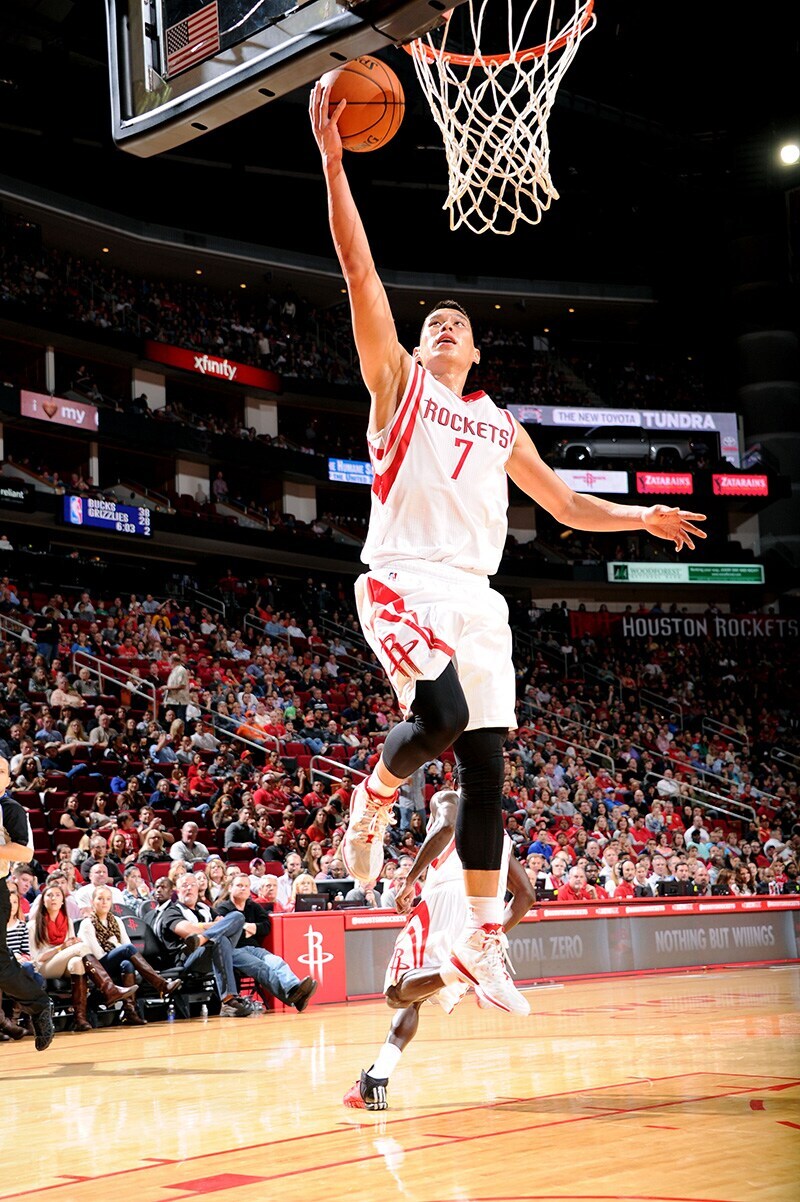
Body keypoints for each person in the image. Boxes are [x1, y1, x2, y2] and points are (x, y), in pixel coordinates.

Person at [309, 83, 707, 1015]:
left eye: (458, 325)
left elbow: (565, 504)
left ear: (476, 351)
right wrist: (333, 163)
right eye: (432, 322)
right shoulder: (397, 386)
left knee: (487, 770)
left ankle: (487, 945)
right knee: (439, 722)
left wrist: (637, 521)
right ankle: (369, 802)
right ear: (416, 344)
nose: (442, 327)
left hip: (480, 599)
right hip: (402, 581)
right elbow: (360, 273)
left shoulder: (503, 425)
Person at [343, 789, 535, 1110]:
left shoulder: (452, 796)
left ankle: (463, 965)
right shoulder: (499, 832)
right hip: (479, 914)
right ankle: (376, 1080)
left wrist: (410, 879)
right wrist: (486, 941)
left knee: (396, 992)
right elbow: (526, 896)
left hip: (444, 898)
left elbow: (446, 826)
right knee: (415, 999)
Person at [0, 756, 55, 1049]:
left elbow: (24, 854)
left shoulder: (10, 809)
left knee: (0, 965)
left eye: (1, 771)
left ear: (8, 780)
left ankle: (39, 1004)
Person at [76, 885, 181, 1024]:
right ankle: (161, 984)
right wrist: (118, 949)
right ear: (92, 902)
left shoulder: (117, 921)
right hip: (97, 967)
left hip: (114, 961)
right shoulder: (87, 924)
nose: (104, 902)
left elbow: (126, 944)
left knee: (128, 964)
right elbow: (97, 954)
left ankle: (130, 1011)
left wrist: (117, 949)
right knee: (126, 950)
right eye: (100, 898)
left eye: (108, 899)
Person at [212, 873, 317, 1011]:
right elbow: (226, 931)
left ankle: (294, 987)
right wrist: (245, 927)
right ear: (230, 888)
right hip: (234, 950)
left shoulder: (253, 906)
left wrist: (253, 927)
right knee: (261, 967)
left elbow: (266, 925)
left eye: (246, 886)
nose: (243, 889)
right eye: (239, 885)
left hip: (255, 948)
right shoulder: (222, 908)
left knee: (277, 962)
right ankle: (292, 997)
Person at [159, 873, 254, 1017]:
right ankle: (228, 1000)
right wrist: (215, 926)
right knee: (221, 938)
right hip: (189, 958)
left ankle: (204, 939)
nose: (189, 888)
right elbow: (189, 932)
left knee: (238, 917)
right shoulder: (172, 911)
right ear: (177, 890)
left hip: (213, 950)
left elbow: (228, 924)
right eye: (184, 886)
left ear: (198, 889)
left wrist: (204, 931)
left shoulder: (206, 908)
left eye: (192, 885)